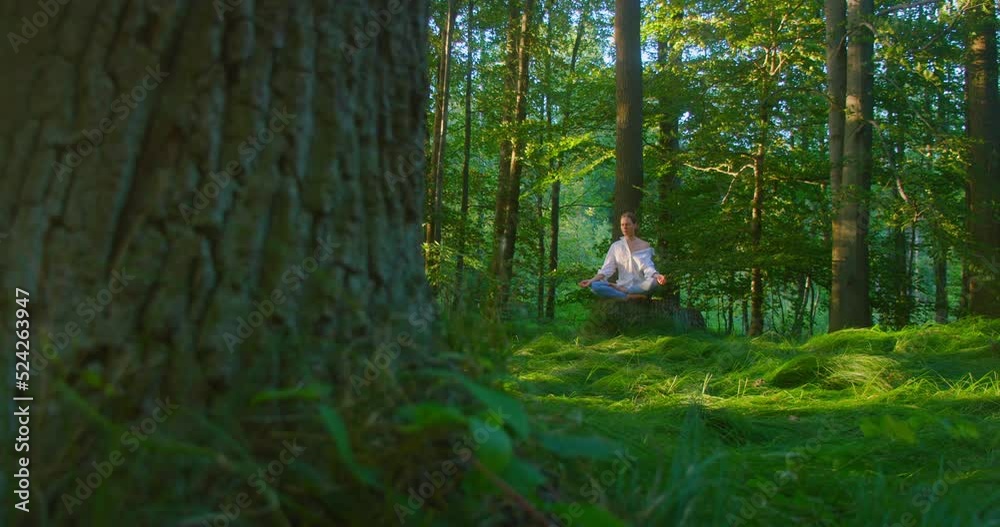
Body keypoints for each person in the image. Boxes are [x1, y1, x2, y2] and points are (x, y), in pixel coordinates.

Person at [578, 212, 667, 301]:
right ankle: (626, 296)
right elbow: (606, 269)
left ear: (635, 225)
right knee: (595, 286)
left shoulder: (644, 245)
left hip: (640, 286)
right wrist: (591, 280)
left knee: (654, 282)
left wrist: (657, 275)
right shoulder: (616, 247)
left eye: (627, 224)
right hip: (621, 285)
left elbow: (648, 267)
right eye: (622, 225)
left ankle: (627, 291)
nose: (624, 227)